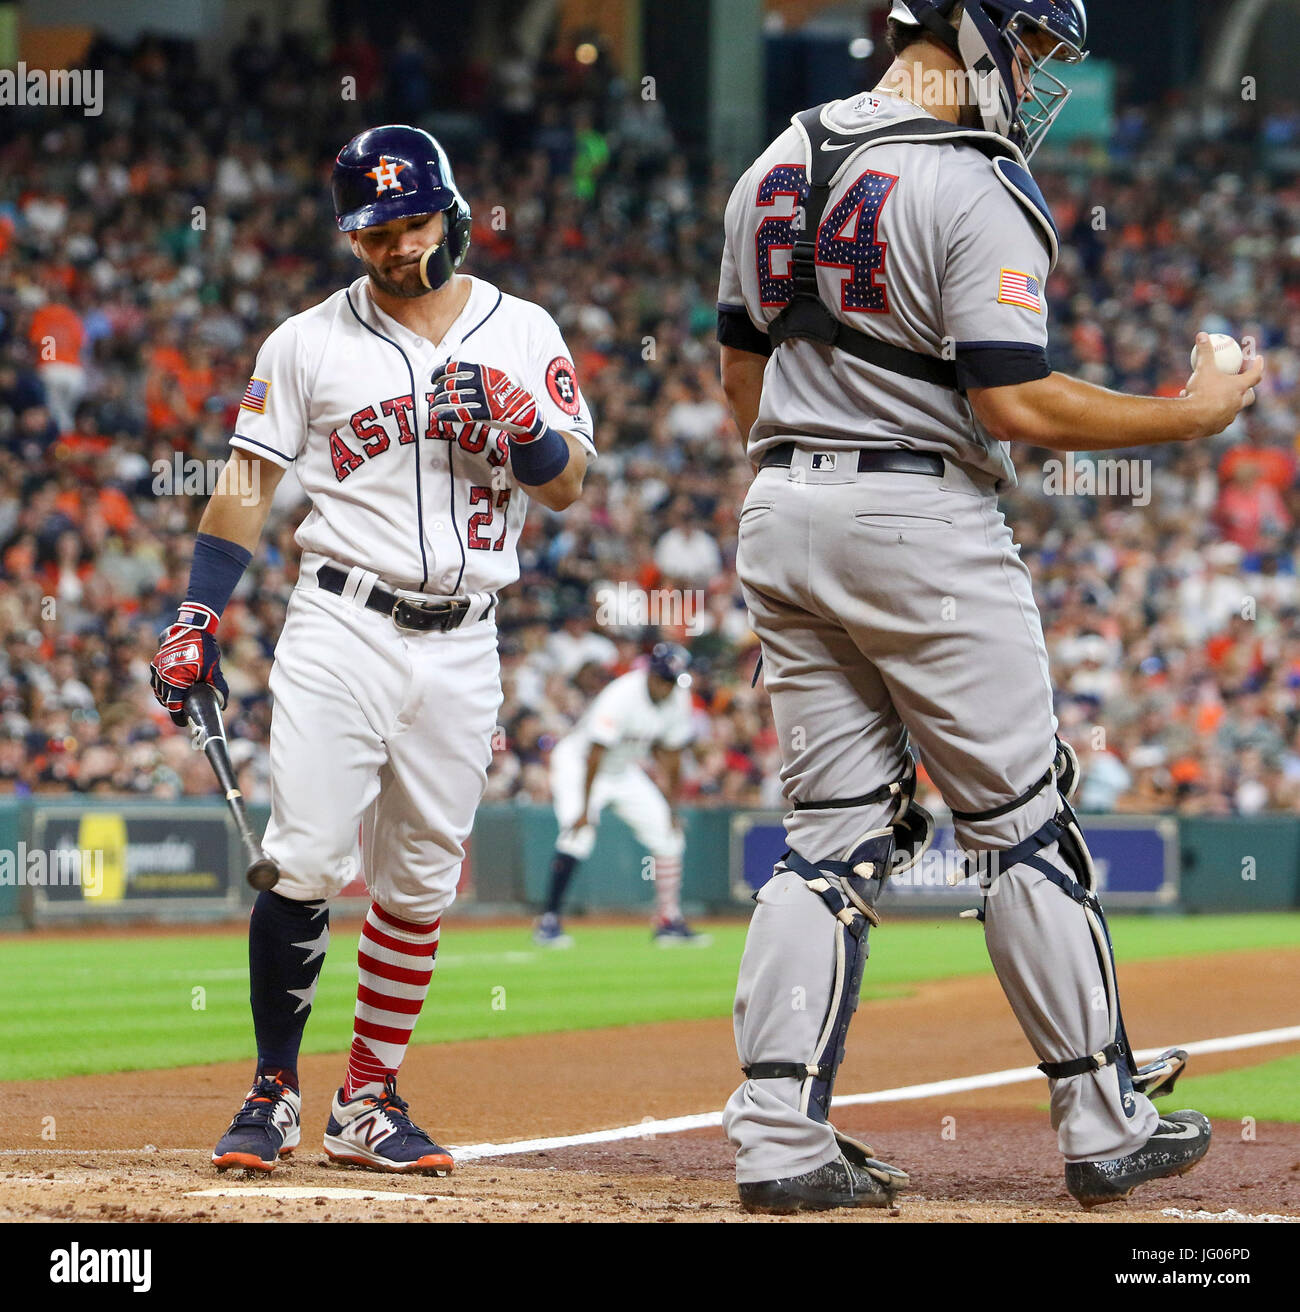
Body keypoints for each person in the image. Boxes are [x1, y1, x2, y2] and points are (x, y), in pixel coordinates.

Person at [715, 0, 1262, 1214]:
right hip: (919, 521)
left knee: (825, 841)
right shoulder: (975, 179)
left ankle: (776, 1141)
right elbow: (1011, 398)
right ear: (970, 34)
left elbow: (739, 373)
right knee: (1021, 821)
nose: (1037, 72)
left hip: (780, 504)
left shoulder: (774, 159)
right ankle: (1103, 1118)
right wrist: (1189, 414)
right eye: (1030, 44)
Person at [149, 125, 594, 1175]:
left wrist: (524, 427)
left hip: (466, 639)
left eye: (411, 221)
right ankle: (270, 1092)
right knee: (302, 856)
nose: (396, 246)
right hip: (340, 619)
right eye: (374, 231)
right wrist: (198, 611)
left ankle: (367, 1099)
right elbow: (249, 485)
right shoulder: (306, 340)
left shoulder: (524, 329)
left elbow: (568, 480)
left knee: (421, 883)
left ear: (453, 208)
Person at [536, 642, 708, 946]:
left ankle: (668, 920)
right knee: (578, 836)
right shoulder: (622, 694)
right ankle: (549, 921)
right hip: (581, 764)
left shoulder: (678, 698)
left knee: (668, 835)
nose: (669, 687)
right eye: (665, 679)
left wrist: (672, 809)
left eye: (674, 681)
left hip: (622, 769)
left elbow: (671, 757)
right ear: (652, 675)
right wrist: (585, 809)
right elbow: (595, 753)